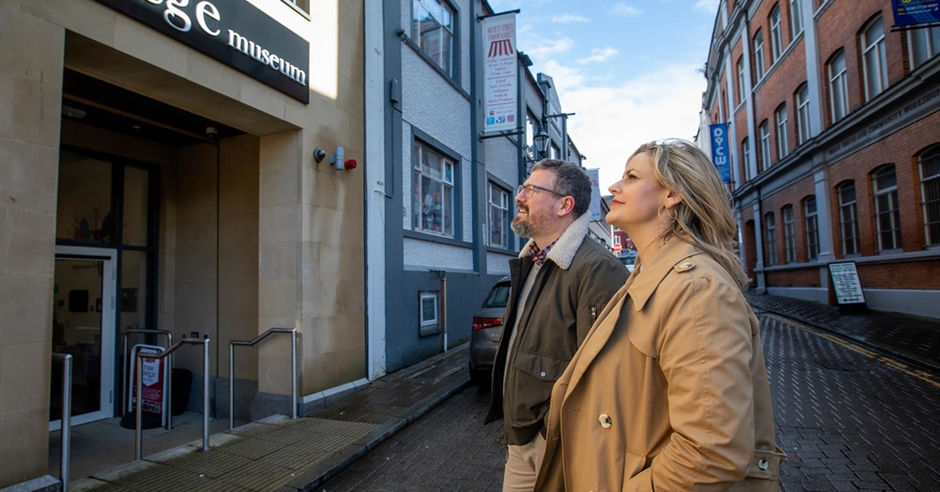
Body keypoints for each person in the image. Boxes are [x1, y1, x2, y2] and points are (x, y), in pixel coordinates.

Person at [534, 140, 786, 491]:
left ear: (672, 195)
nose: (613, 187)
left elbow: (710, 451)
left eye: (632, 176)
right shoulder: (649, 276)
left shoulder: (696, 289)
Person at [485, 159, 629, 492]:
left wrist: (549, 428)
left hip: (556, 442)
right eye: (523, 188)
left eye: (531, 190)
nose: (519, 197)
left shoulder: (596, 270)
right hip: (522, 436)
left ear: (565, 205)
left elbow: (603, 376)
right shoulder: (533, 260)